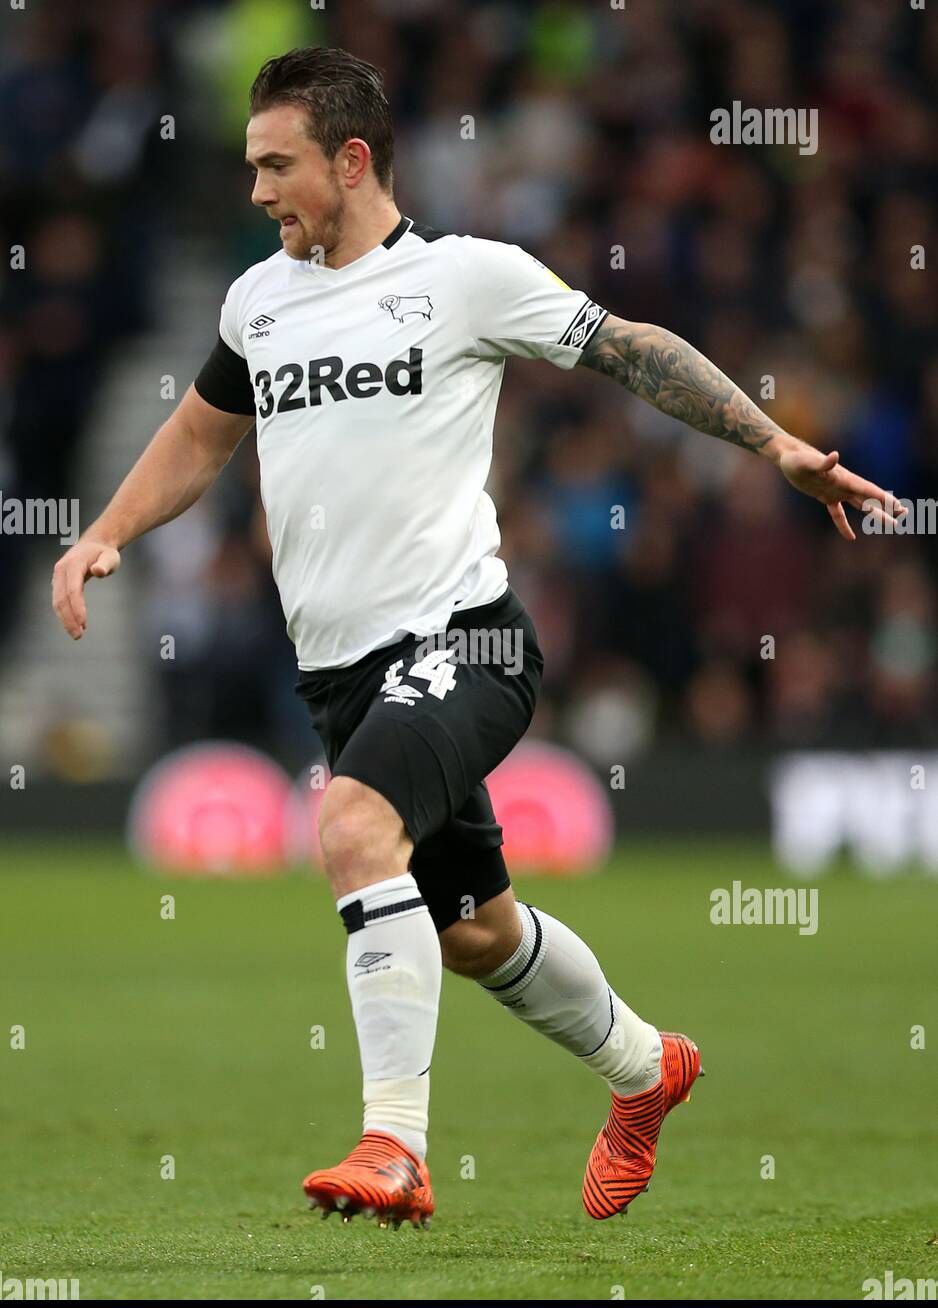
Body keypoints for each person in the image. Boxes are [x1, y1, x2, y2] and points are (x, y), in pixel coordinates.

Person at [52, 47, 901, 1230]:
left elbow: (631, 348)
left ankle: (394, 1144)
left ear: (351, 161)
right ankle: (647, 1068)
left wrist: (775, 449)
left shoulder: (465, 279)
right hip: (341, 673)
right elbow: (200, 436)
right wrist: (107, 532)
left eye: (274, 165)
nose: (256, 192)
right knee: (469, 931)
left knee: (351, 827)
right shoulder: (259, 301)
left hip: (468, 640)